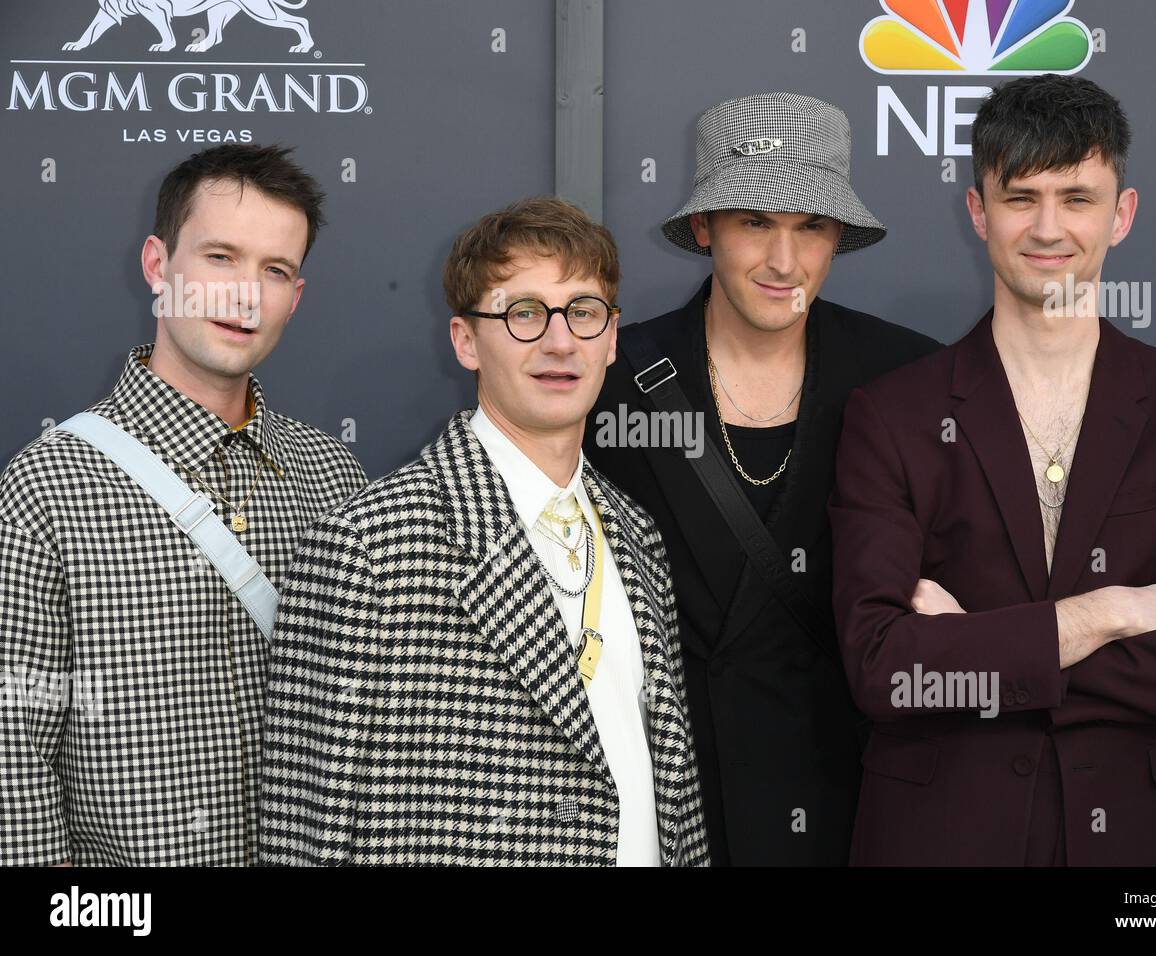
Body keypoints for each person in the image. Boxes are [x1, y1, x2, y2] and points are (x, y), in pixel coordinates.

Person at [830, 75, 1156, 866]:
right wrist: (1104, 614)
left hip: (1151, 847)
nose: (1048, 227)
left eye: (1077, 197)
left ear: (1121, 215)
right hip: (942, 837)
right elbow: (884, 668)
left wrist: (976, 647)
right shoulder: (890, 414)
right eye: (1020, 197)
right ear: (978, 213)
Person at [258, 197, 709, 865]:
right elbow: (305, 829)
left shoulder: (636, 533)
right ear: (465, 340)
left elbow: (670, 787)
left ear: (611, 338)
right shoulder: (368, 546)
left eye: (582, 312)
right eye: (523, 312)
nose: (560, 341)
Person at [584, 91, 940, 865]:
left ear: (836, 236)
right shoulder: (610, 375)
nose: (784, 262)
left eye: (809, 226)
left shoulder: (908, 375)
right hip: (676, 802)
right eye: (755, 222)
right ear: (706, 228)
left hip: (857, 793)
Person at [0, 143, 368, 866]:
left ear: (296, 296)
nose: (245, 294)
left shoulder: (334, 478)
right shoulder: (47, 487)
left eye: (275, 271)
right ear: (156, 266)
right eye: (220, 258)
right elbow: (13, 749)